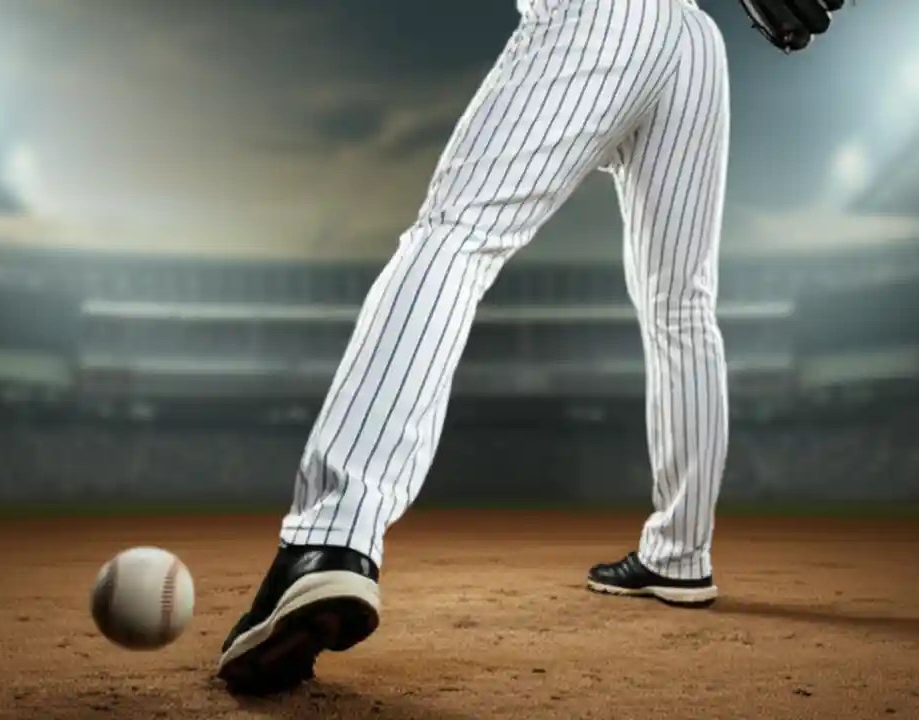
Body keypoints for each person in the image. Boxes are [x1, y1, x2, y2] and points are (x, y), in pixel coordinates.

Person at [215, 0, 802, 695]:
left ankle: (330, 536)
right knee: (684, 307)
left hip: (602, 18)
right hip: (692, 42)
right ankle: (681, 552)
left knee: (456, 236)